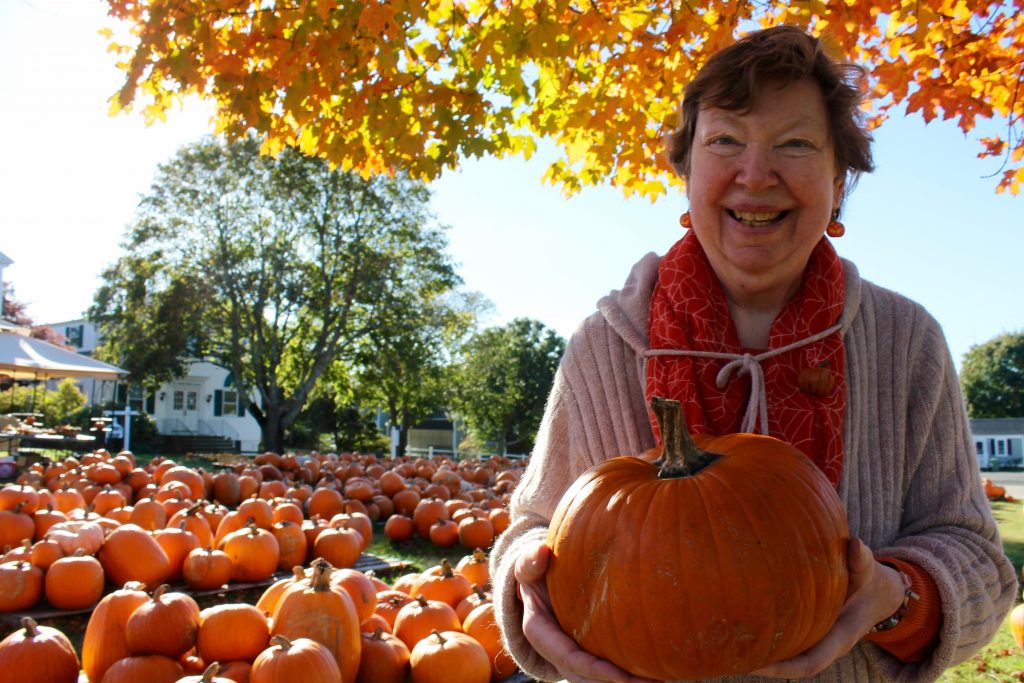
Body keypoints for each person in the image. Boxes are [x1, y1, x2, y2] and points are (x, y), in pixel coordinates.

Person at [490, 25, 1017, 683]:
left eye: (794, 144)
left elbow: (975, 554)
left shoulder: (908, 343)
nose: (755, 175)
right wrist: (533, 587)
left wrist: (890, 596)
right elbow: (533, 531)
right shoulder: (604, 343)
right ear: (685, 173)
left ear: (838, 178)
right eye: (725, 142)